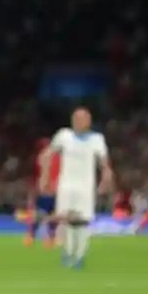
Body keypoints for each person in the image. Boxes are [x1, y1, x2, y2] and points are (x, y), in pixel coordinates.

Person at [40, 107, 113, 270]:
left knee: (82, 221)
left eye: (82, 118)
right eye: (76, 118)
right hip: (66, 184)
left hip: (85, 186)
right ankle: (67, 252)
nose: (78, 121)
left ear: (89, 121)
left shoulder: (97, 139)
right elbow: (47, 155)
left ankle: (80, 256)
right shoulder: (63, 136)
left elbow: (104, 164)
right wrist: (44, 177)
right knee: (66, 219)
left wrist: (105, 180)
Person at [26, 138, 61, 248]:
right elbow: (42, 174)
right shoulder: (47, 157)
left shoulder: (48, 157)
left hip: (49, 190)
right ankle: (41, 237)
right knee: (45, 214)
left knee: (47, 214)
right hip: (49, 190)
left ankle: (40, 237)